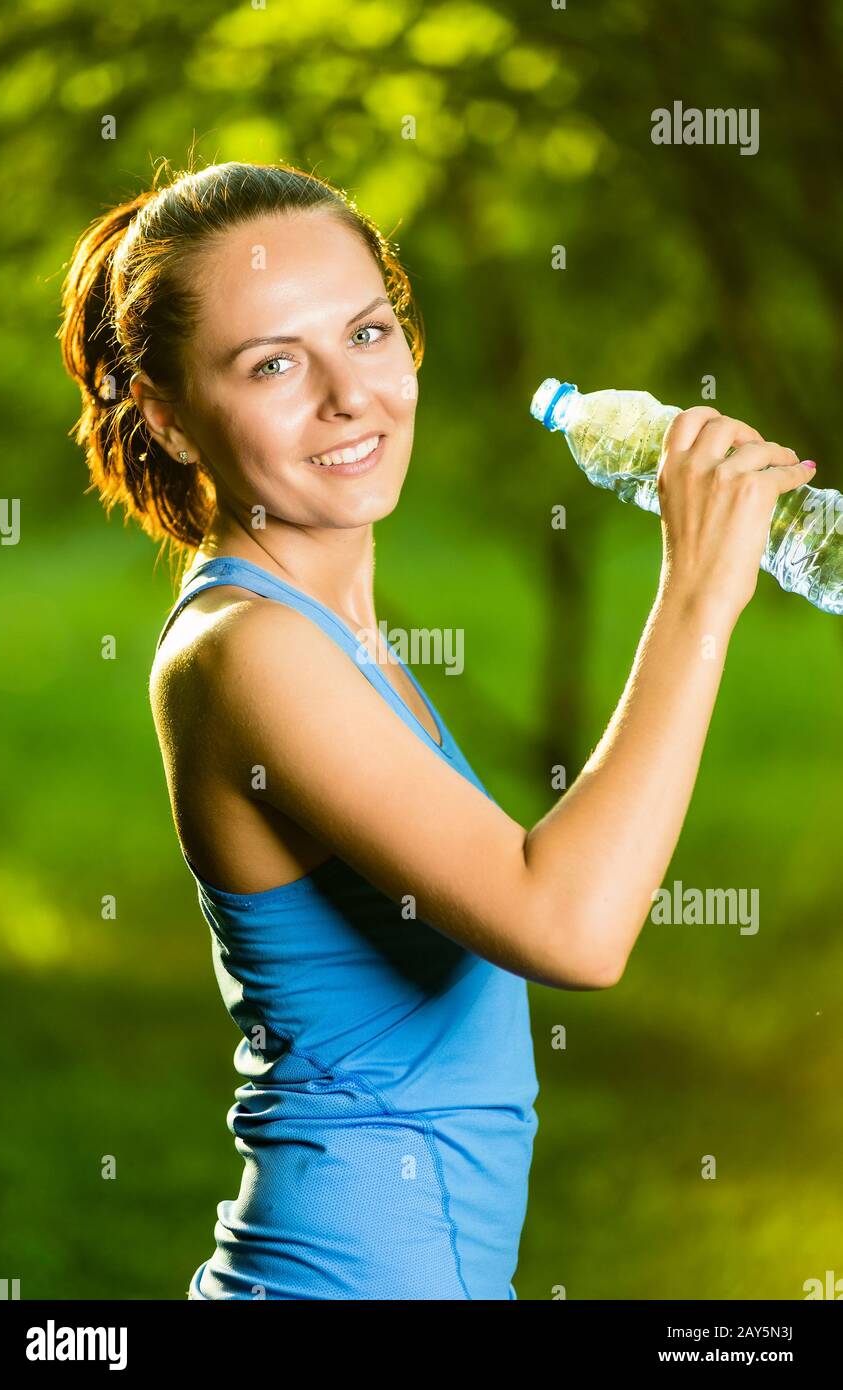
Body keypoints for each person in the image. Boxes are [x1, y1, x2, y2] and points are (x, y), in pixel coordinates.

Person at [58, 158, 815, 1300]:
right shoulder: (247, 651)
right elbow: (568, 925)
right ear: (165, 419)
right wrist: (700, 591)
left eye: (366, 334)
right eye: (273, 364)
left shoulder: (324, 631)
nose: (348, 395)